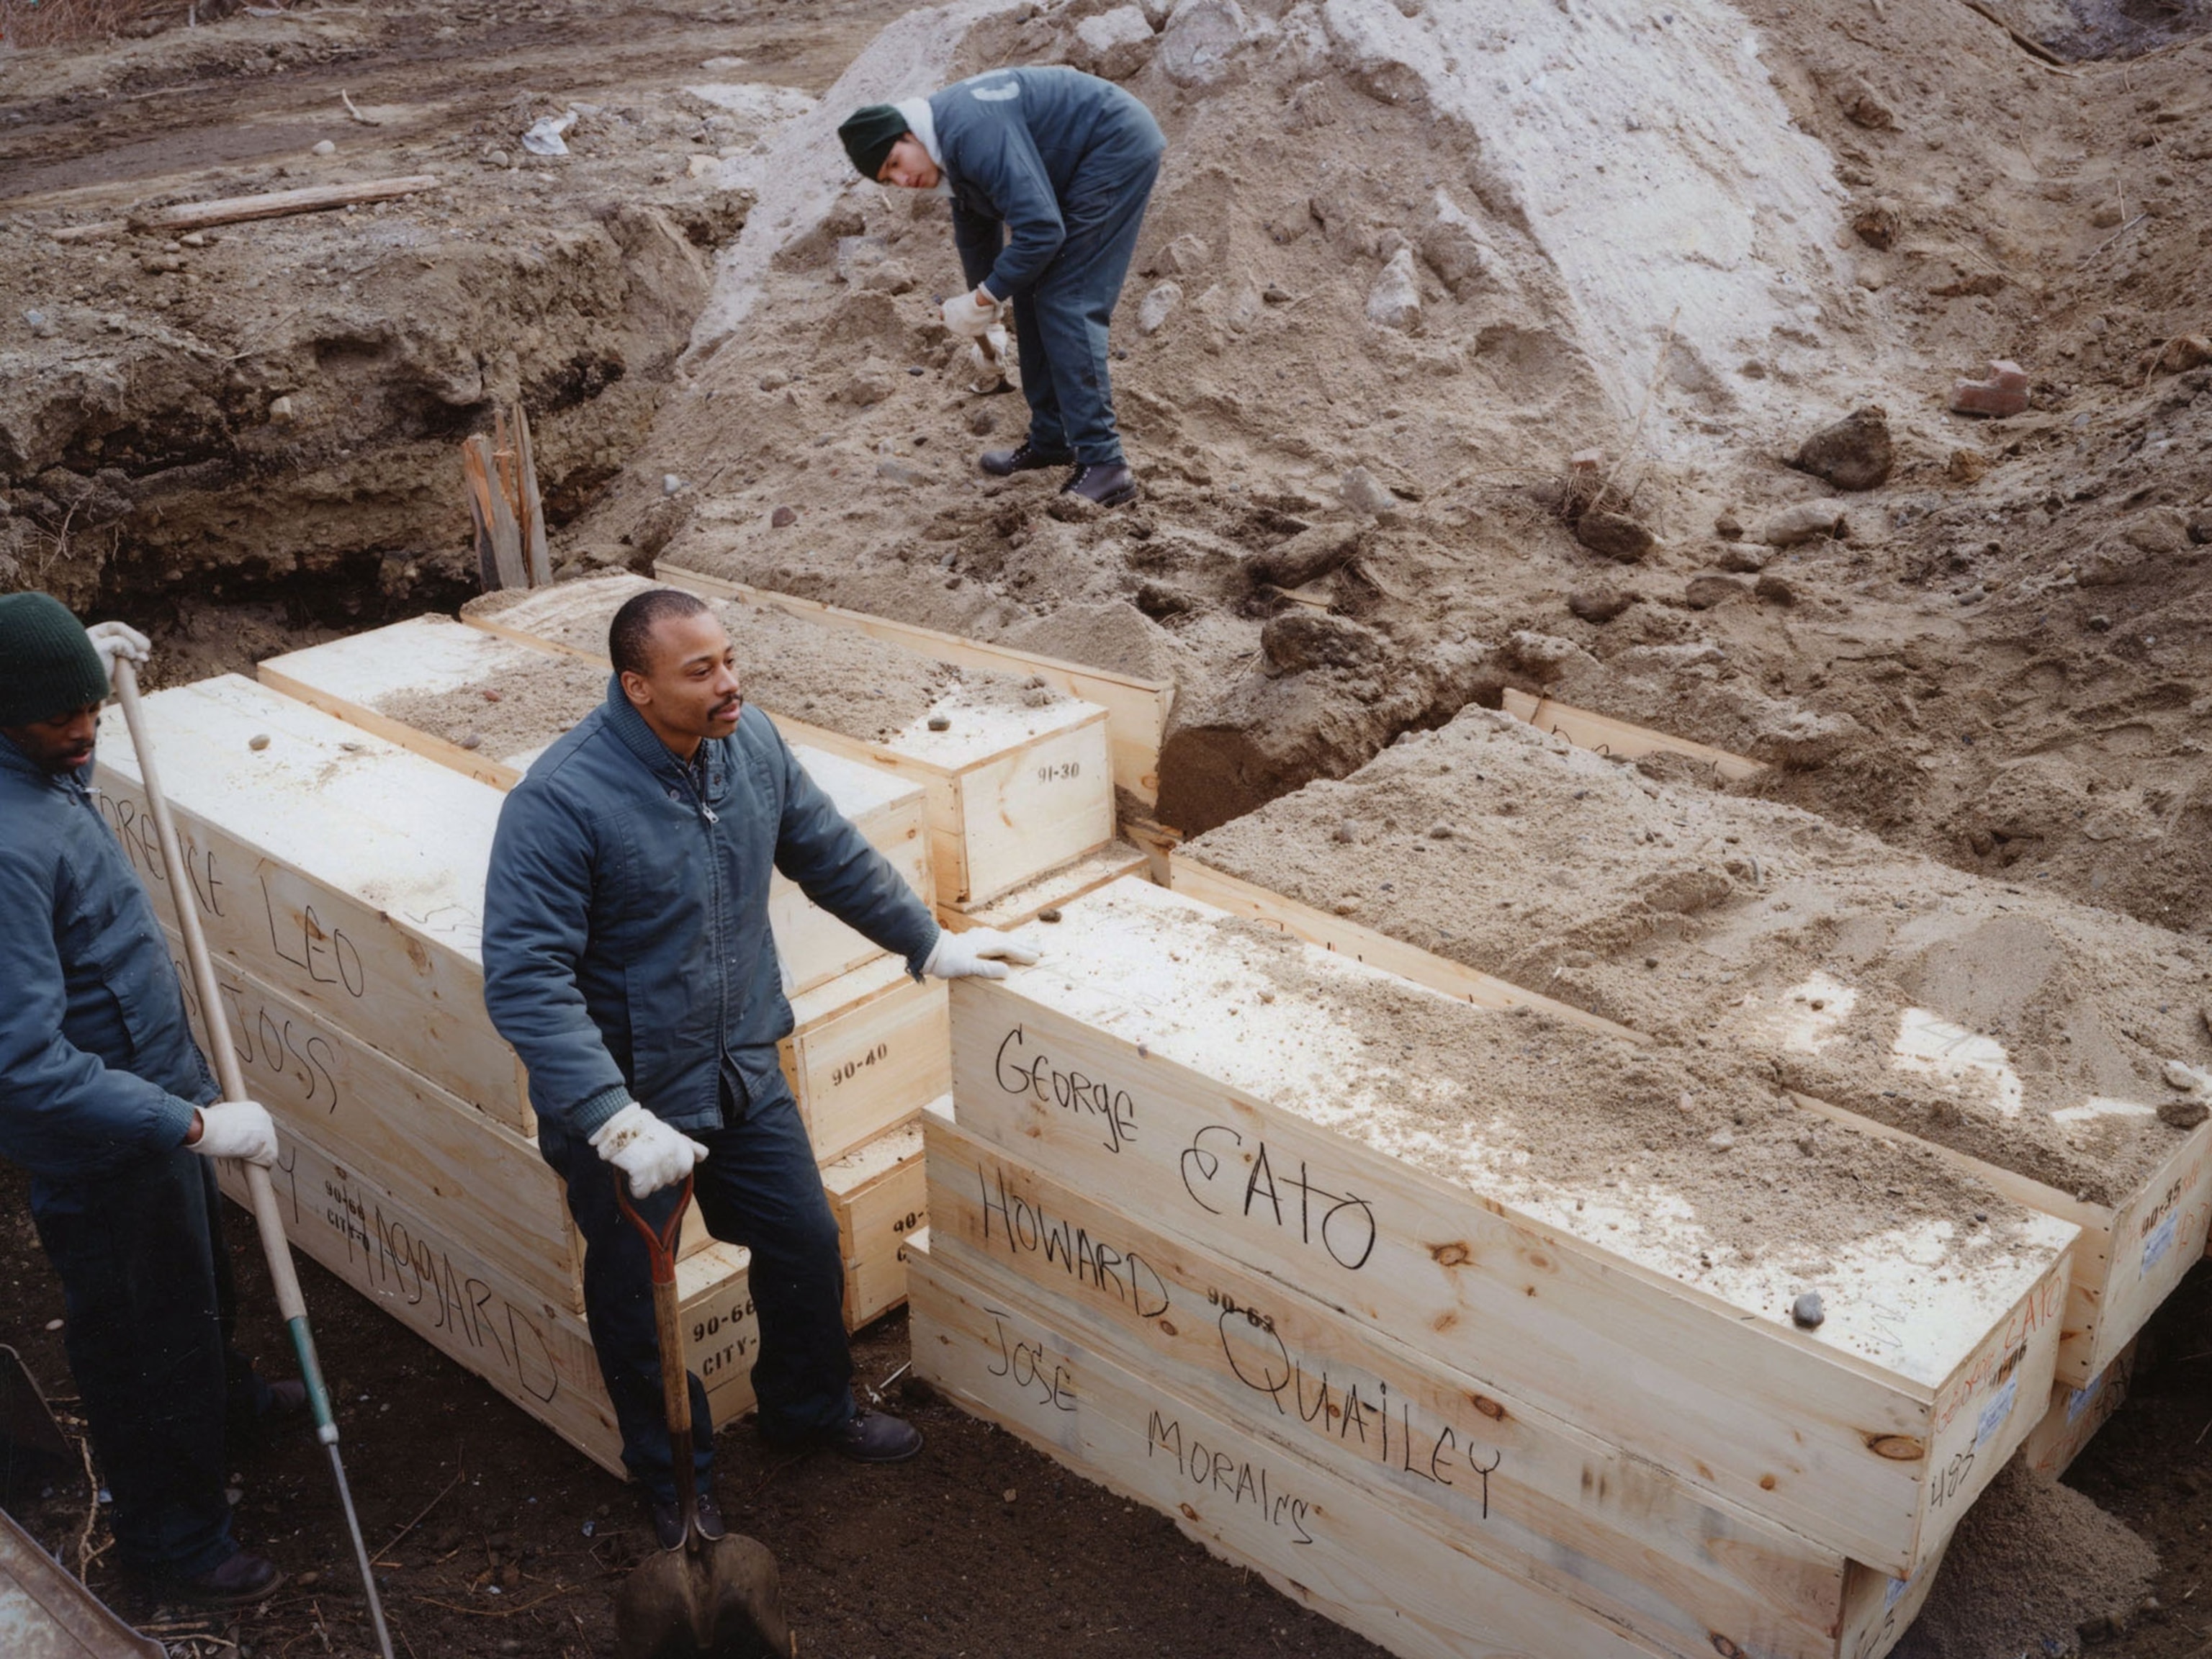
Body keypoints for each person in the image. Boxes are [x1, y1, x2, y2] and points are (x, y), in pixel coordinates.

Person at [481, 588, 1037, 1548]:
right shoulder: (563, 802)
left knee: (805, 1242)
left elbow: (827, 851)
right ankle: (675, 1477)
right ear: (638, 686)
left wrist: (926, 940)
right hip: (631, 1106)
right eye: (701, 671)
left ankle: (808, 1410)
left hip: (739, 1068)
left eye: (730, 659)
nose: (729, 683)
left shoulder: (749, 747)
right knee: (637, 1301)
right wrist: (612, 1116)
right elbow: (526, 979)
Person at [0, 592, 296, 1606]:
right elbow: (23, 1063)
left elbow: (53, 731)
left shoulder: (40, 762)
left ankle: (227, 1406)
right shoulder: (6, 851)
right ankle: (174, 1540)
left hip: (151, 1093)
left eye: (91, 707)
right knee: (142, 1335)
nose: (86, 730)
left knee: (199, 1278)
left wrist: (72, 671)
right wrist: (194, 1123)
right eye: (62, 717)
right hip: (104, 1141)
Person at [840, 66, 1165, 508]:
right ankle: (1052, 439)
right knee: (1032, 291)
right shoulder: (948, 147)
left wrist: (984, 296)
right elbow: (976, 232)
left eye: (895, 162)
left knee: (1067, 300)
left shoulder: (969, 133)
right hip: (1075, 161)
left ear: (910, 133)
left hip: (1114, 143)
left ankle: (1106, 464)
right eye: (887, 179)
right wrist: (987, 313)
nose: (902, 180)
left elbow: (1042, 231)